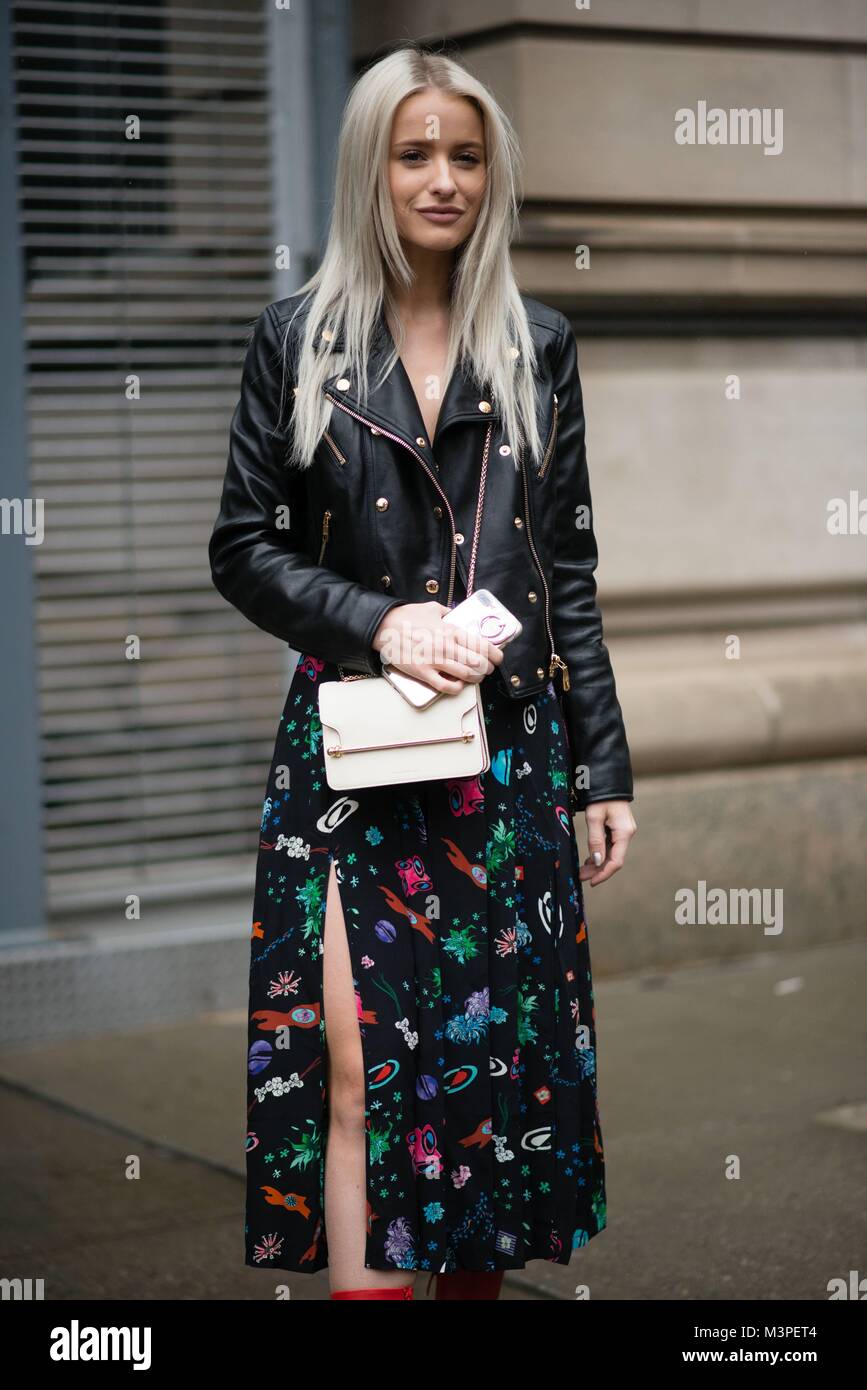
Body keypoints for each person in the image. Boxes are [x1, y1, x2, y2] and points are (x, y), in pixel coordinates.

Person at [209, 44, 637, 1302]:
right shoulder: (299, 340)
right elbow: (241, 547)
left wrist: (602, 764)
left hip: (506, 762)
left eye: (464, 155)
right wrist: (380, 620)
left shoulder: (538, 345)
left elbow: (568, 570)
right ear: (371, 169)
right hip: (355, 755)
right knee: (358, 1071)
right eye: (415, 154)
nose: (442, 178)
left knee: (491, 1085)